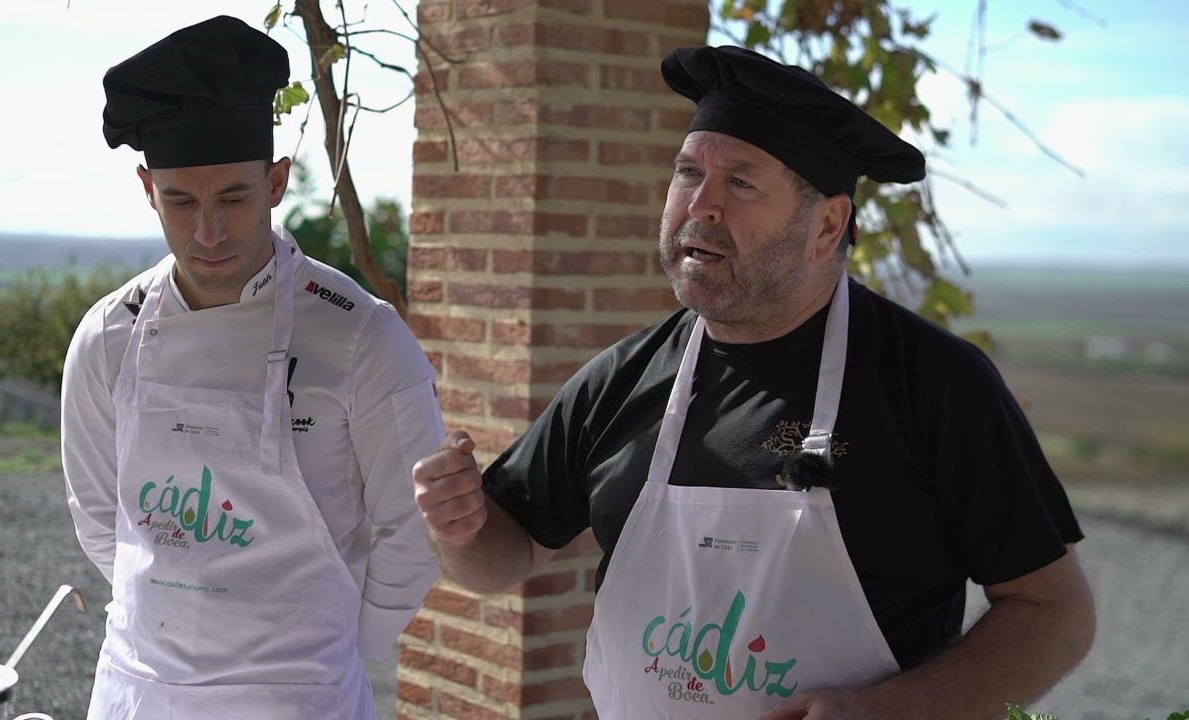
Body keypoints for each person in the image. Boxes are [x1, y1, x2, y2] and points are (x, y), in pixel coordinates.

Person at [413, 45, 1095, 720]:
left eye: (740, 183)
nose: (700, 205)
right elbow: (500, 557)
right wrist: (460, 526)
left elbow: (1055, 612)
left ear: (827, 225)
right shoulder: (620, 381)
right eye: (688, 173)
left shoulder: (934, 383)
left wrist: (888, 711)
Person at [60, 15, 442, 719]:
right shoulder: (108, 336)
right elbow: (99, 518)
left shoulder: (361, 338)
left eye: (233, 198)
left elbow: (414, 532)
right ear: (148, 188)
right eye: (181, 201)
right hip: (140, 695)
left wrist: (323, 655)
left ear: (275, 182)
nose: (207, 232)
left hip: (298, 700)